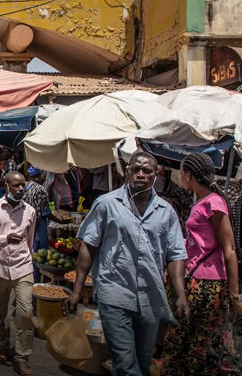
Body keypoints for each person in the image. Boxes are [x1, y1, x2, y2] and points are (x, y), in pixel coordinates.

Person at [65, 152, 189, 376]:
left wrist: (180, 295)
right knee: (125, 364)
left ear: (156, 174)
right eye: (136, 169)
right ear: (128, 171)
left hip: (151, 295)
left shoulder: (166, 212)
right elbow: (88, 246)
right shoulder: (106, 204)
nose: (141, 174)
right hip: (114, 292)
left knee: (143, 361)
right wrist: (77, 290)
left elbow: (175, 254)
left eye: (147, 171)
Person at [161, 153, 242, 375]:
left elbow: (229, 250)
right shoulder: (200, 201)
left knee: (190, 342)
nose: (179, 177)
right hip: (194, 281)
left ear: (189, 174)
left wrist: (234, 294)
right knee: (187, 341)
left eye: (181, 172)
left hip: (206, 285)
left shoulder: (214, 203)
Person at [0, 171, 36, 376]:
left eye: (23, 185)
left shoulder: (30, 211)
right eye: (16, 186)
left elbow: (29, 242)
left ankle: (22, 357)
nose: (21, 189)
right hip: (0, 268)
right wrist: (4, 239)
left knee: (25, 313)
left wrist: (30, 261)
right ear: (6, 186)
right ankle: (2, 346)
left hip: (23, 268)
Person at [24, 166, 71, 280]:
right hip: (38, 226)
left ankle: (30, 278)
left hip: (28, 225)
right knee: (40, 253)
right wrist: (60, 221)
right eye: (43, 175)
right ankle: (38, 280)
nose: (44, 177)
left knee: (31, 252)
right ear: (38, 176)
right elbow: (45, 212)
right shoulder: (40, 189)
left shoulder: (26, 188)